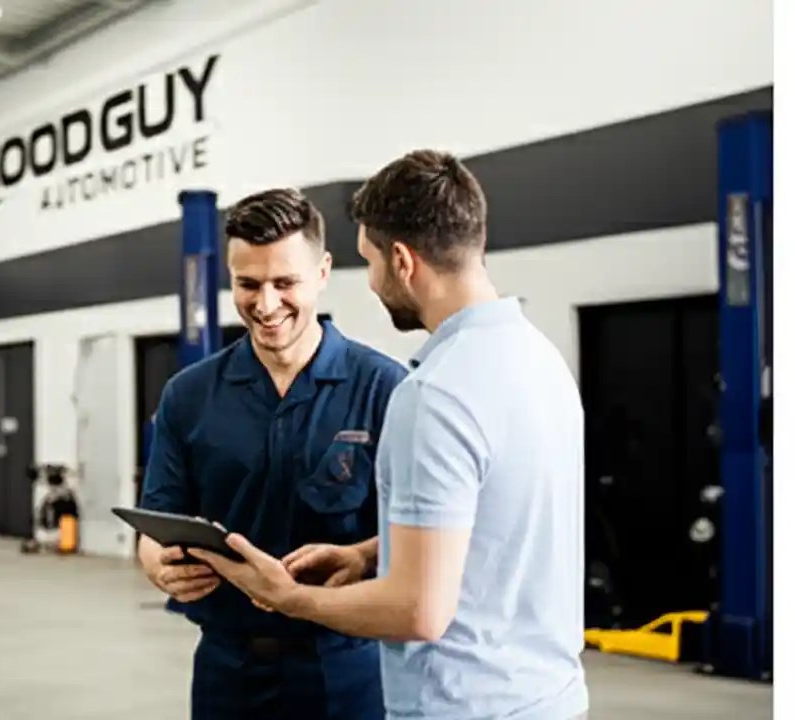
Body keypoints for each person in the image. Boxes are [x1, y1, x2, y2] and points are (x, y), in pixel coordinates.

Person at [192, 150, 590, 720]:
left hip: (463, 706)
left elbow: (417, 610)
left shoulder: (434, 394)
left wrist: (291, 597)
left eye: (369, 261)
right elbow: (497, 525)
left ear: (401, 261)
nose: (372, 282)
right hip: (549, 699)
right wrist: (366, 554)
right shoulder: (540, 360)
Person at [137, 187, 408, 719]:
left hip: (347, 669)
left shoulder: (384, 388)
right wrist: (157, 564)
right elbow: (158, 518)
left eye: (285, 283)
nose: (265, 305)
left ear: (323, 272)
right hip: (228, 674)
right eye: (248, 284)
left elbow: (422, 534)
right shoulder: (189, 395)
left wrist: (362, 556)